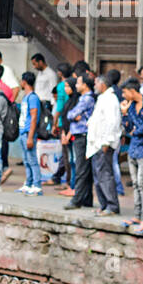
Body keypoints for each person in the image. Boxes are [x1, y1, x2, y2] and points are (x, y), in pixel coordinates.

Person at [120, 78, 143, 234]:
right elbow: (128, 127)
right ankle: (137, 215)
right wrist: (125, 114)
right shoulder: (132, 107)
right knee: (135, 183)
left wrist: (134, 128)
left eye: (125, 92)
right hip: (133, 149)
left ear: (133, 92)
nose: (123, 95)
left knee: (142, 182)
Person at [87, 70, 124, 216]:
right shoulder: (103, 98)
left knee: (105, 175)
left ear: (102, 84)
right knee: (98, 176)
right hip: (96, 144)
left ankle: (112, 205)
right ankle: (103, 204)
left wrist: (106, 142)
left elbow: (112, 122)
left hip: (104, 143)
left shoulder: (110, 99)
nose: (94, 85)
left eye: (96, 83)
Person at [63, 72, 97, 211]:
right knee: (85, 168)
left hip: (82, 136)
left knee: (81, 168)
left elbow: (71, 114)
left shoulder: (86, 99)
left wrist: (75, 116)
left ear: (85, 85)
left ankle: (77, 199)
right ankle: (86, 198)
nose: (76, 86)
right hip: (82, 136)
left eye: (78, 83)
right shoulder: (85, 98)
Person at [16, 71, 43, 195]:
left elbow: (33, 117)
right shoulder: (26, 98)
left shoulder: (33, 98)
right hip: (23, 132)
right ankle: (28, 183)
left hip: (28, 133)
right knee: (26, 159)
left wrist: (30, 137)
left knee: (32, 159)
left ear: (24, 82)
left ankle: (37, 185)